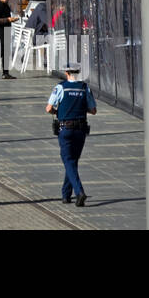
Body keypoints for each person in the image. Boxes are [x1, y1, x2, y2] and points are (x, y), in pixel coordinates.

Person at [47, 63, 97, 207]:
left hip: (66, 129)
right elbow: (93, 110)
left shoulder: (61, 87)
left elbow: (48, 108)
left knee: (68, 160)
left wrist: (59, 112)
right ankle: (65, 195)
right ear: (78, 72)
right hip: (81, 130)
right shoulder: (84, 87)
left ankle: (80, 192)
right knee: (72, 161)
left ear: (66, 72)